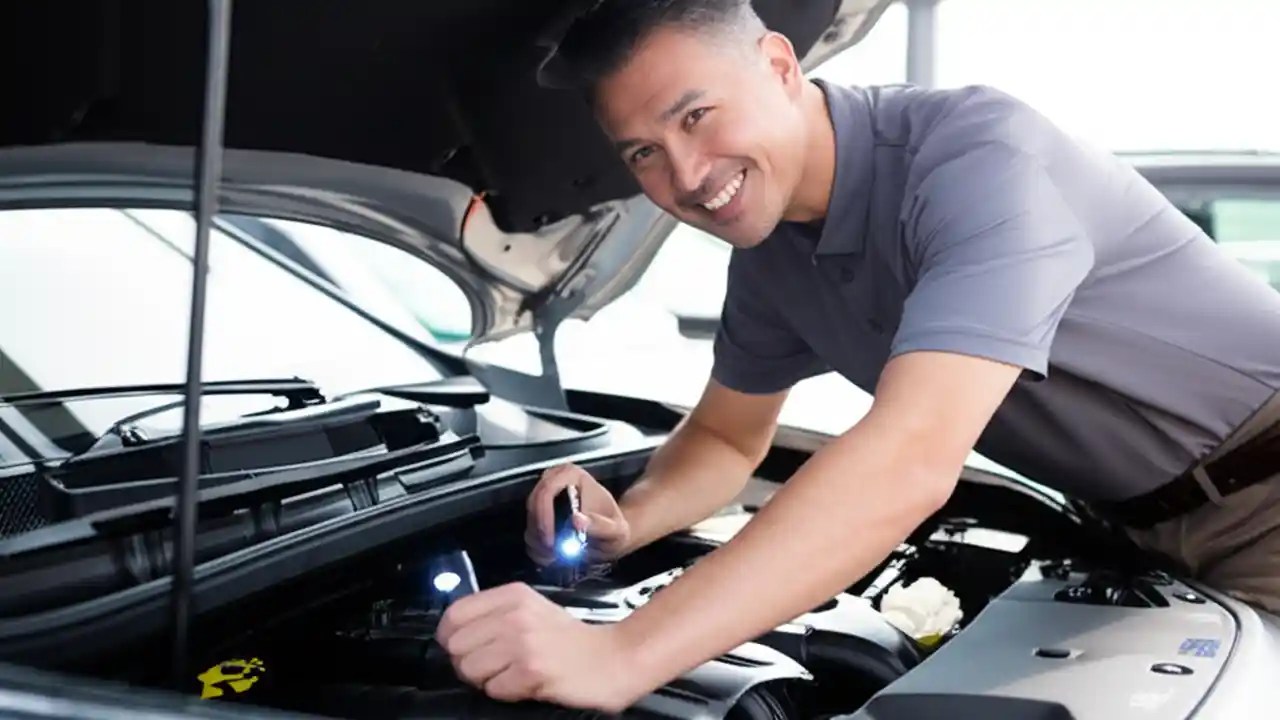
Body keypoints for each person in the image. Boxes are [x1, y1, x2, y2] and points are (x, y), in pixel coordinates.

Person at [434, 0, 1280, 711]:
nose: (686, 177)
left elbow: (910, 458)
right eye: (643, 153)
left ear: (778, 65)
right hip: (1138, 528)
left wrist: (623, 654)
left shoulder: (980, 159)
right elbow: (726, 438)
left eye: (696, 116)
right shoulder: (770, 257)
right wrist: (630, 522)